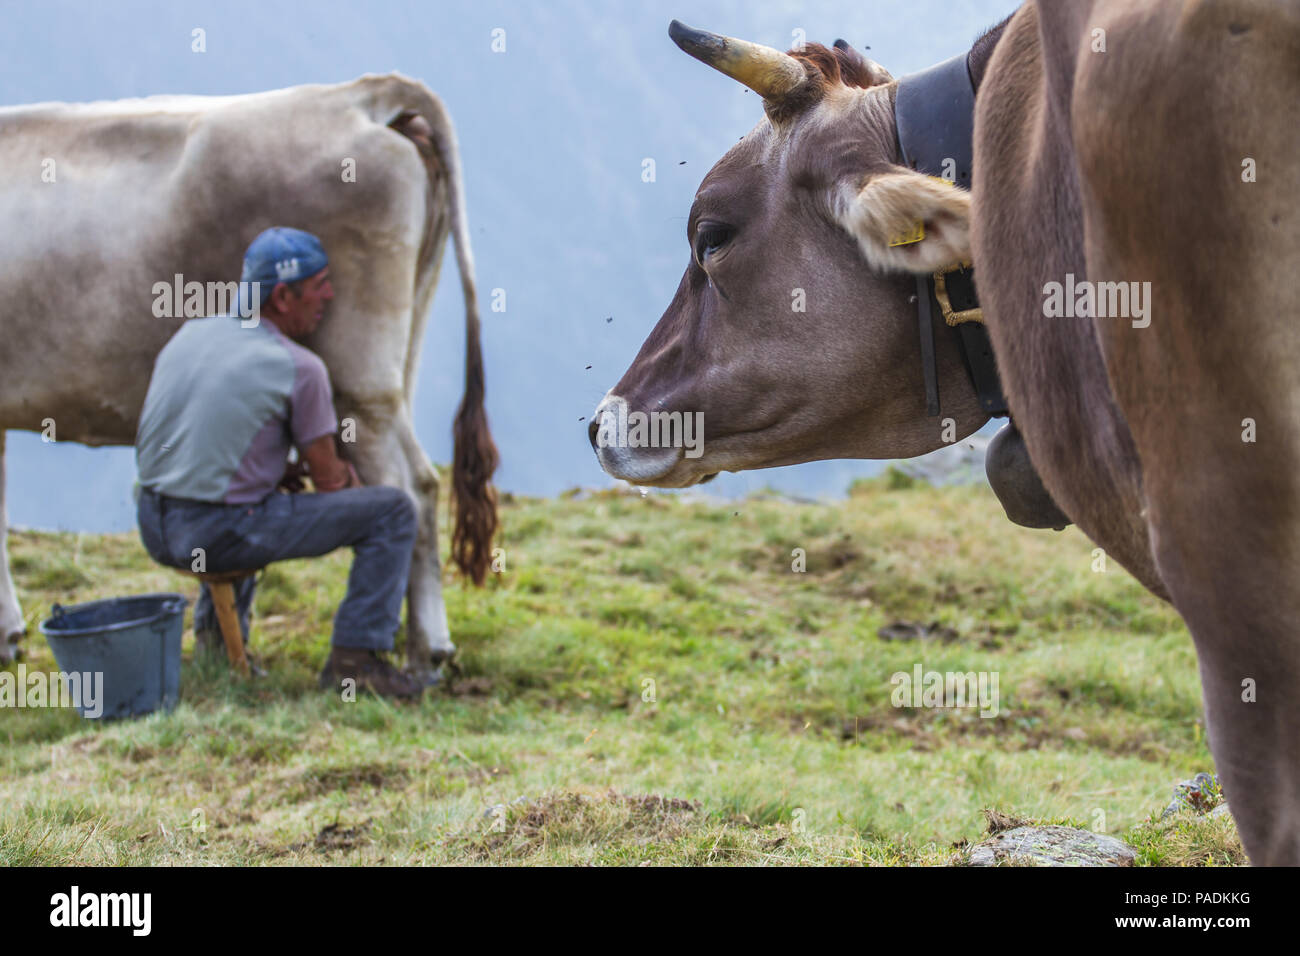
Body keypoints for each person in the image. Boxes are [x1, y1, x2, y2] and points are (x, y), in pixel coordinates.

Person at [134, 226, 427, 699]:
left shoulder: (193, 333)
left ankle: (216, 649)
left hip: (152, 522)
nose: (329, 296)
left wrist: (272, 470)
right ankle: (357, 659)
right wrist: (341, 476)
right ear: (284, 296)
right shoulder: (299, 367)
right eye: (320, 285)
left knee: (251, 500)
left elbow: (194, 442)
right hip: (215, 532)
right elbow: (331, 484)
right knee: (391, 512)